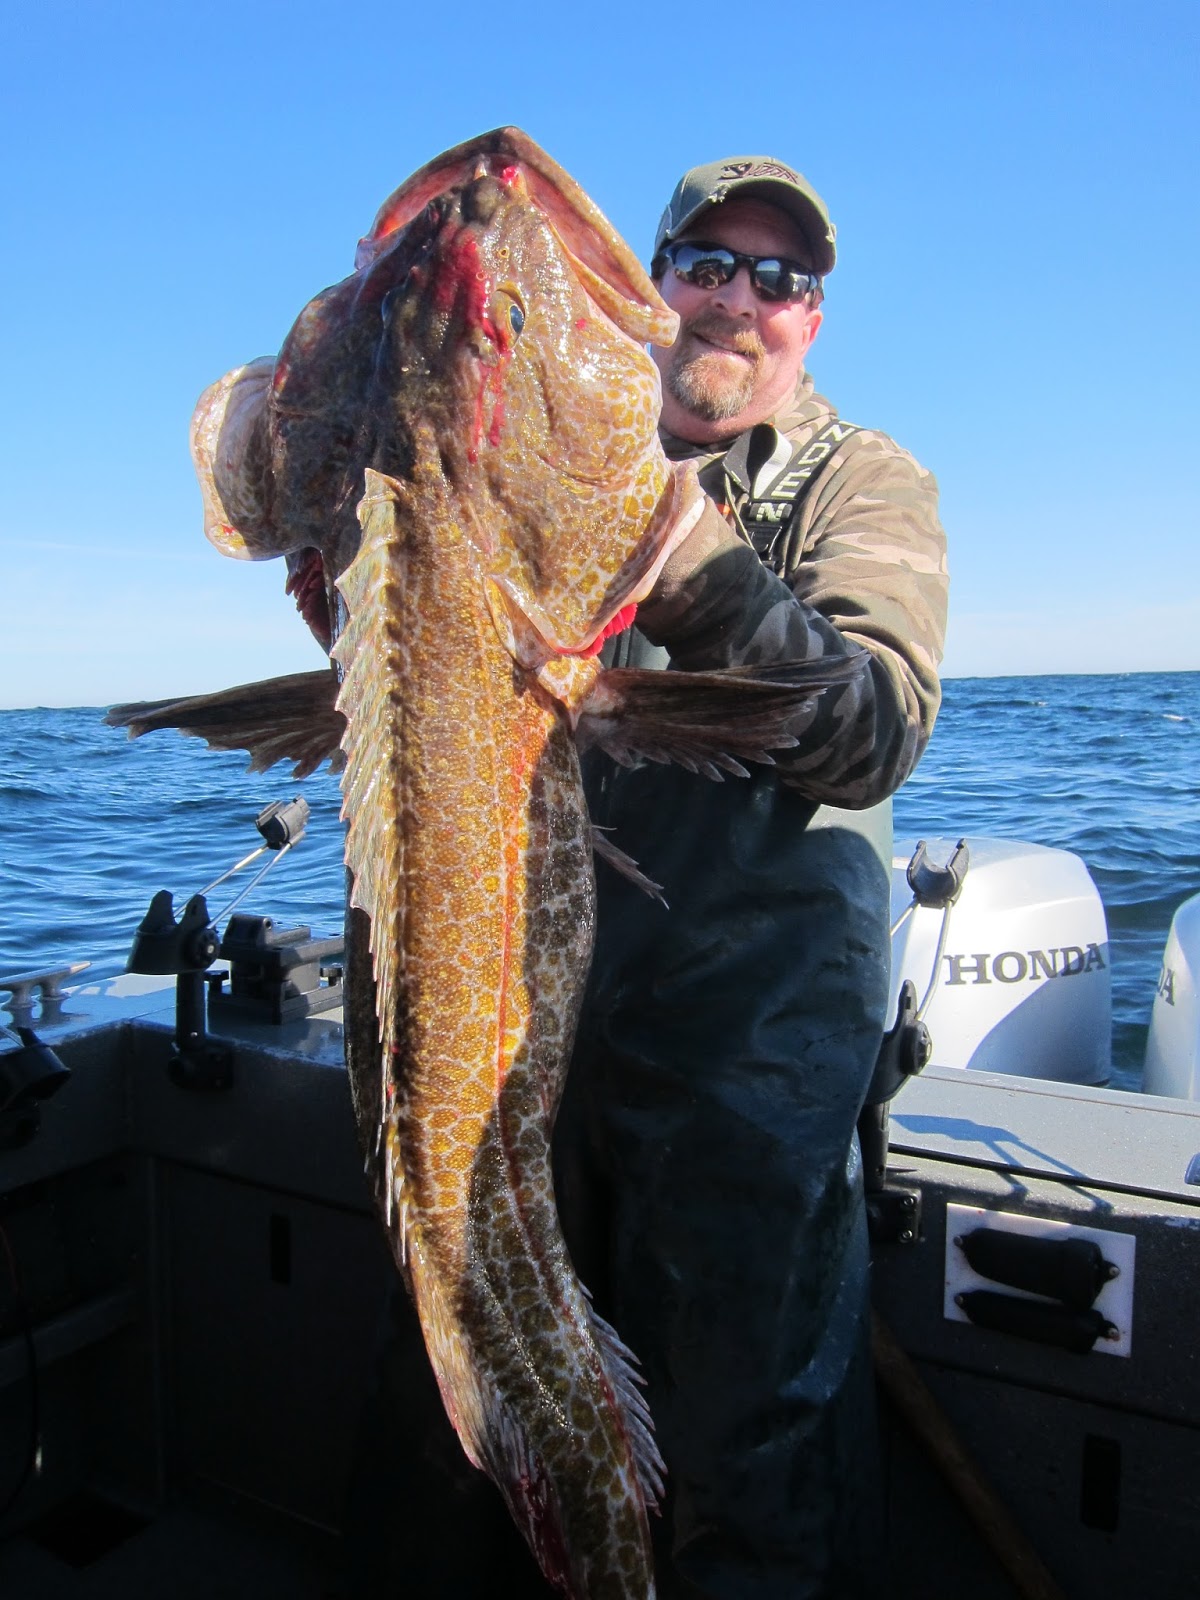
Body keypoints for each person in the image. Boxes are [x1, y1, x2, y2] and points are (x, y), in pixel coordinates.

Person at [551, 155, 948, 1599]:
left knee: (744, 1474)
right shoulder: (557, 463)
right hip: (537, 1043)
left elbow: (871, 729)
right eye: (706, 263)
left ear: (812, 321)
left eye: (778, 279)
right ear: (654, 288)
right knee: (494, 1439)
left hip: (754, 1072)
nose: (738, 298)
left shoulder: (863, 483)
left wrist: (685, 553)